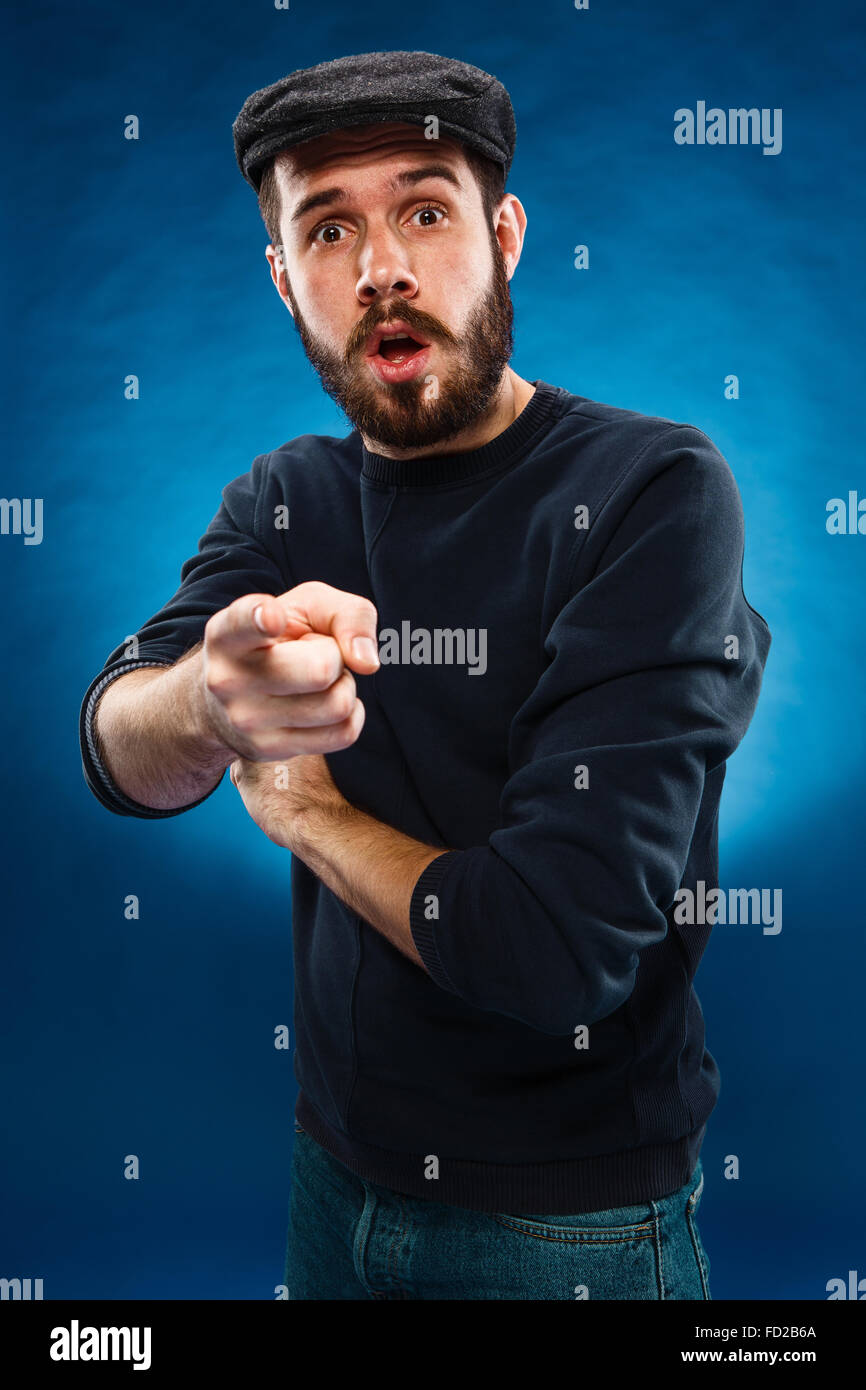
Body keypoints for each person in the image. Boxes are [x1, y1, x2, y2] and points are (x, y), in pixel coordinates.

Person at [79, 50, 771, 1300]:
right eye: (328, 228)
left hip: (570, 1228)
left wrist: (305, 811)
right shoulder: (285, 500)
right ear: (286, 279)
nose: (382, 266)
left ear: (502, 234)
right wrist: (204, 701)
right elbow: (116, 751)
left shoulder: (652, 492)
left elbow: (547, 955)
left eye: (425, 209)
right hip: (332, 1175)